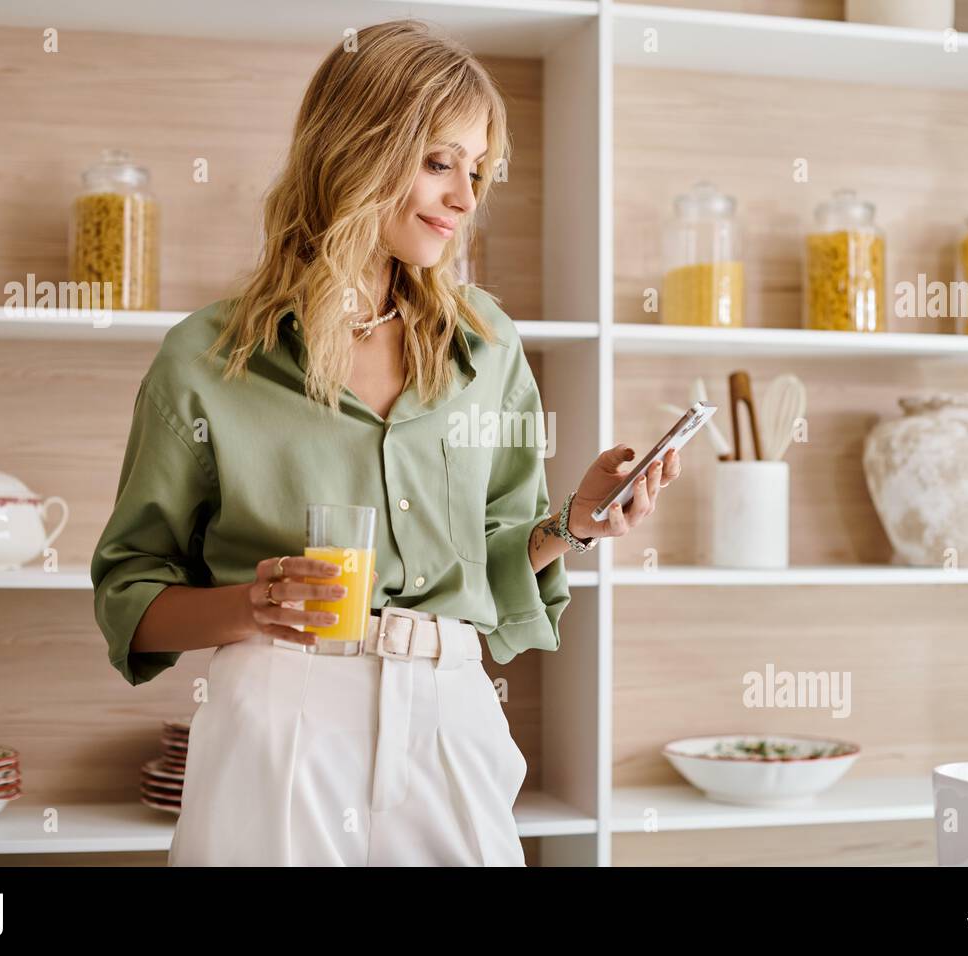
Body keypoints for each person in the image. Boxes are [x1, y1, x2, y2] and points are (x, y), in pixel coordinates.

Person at [89, 18, 681, 867]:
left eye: (476, 171)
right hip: (279, 711)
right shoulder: (208, 358)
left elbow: (490, 551)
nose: (465, 197)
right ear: (354, 148)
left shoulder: (488, 347)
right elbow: (129, 592)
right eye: (438, 162)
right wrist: (254, 605)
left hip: (449, 704)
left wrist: (574, 525)